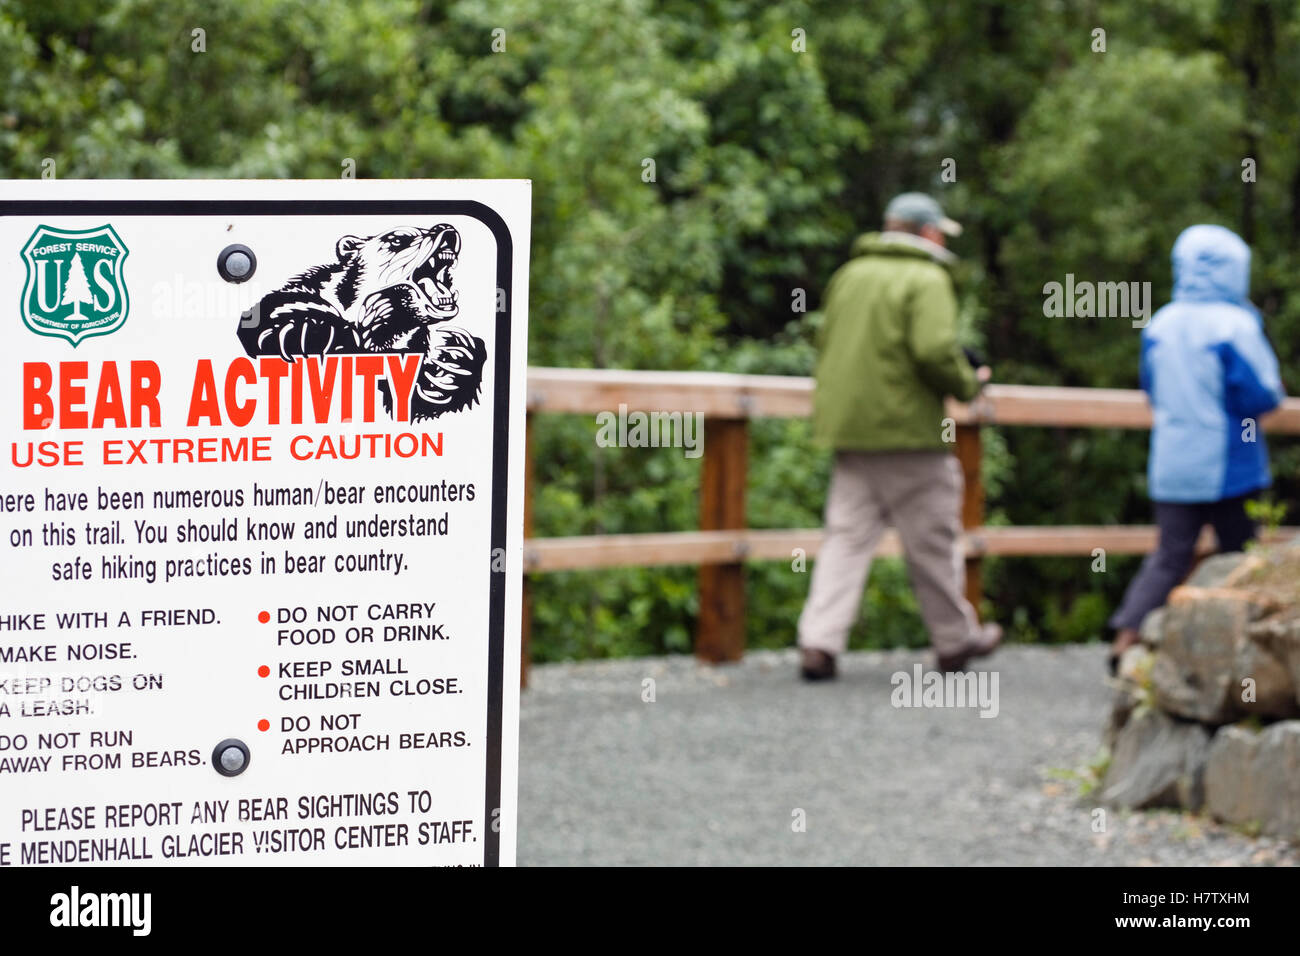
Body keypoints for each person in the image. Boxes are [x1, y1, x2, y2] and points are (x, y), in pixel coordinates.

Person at [797, 192, 1002, 681]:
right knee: (932, 540)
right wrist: (968, 383)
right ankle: (954, 641)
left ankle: (819, 642)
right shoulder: (927, 278)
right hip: (909, 433)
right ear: (929, 233)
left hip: (849, 431)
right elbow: (933, 349)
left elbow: (827, 344)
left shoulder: (849, 275)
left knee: (845, 539)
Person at [1107, 224, 1284, 670]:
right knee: (1241, 557)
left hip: (1172, 462)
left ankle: (1126, 640)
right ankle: (1239, 654)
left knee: (1170, 555)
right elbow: (1262, 395)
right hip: (1229, 463)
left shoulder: (1160, 323)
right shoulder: (1236, 324)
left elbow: (1151, 388)